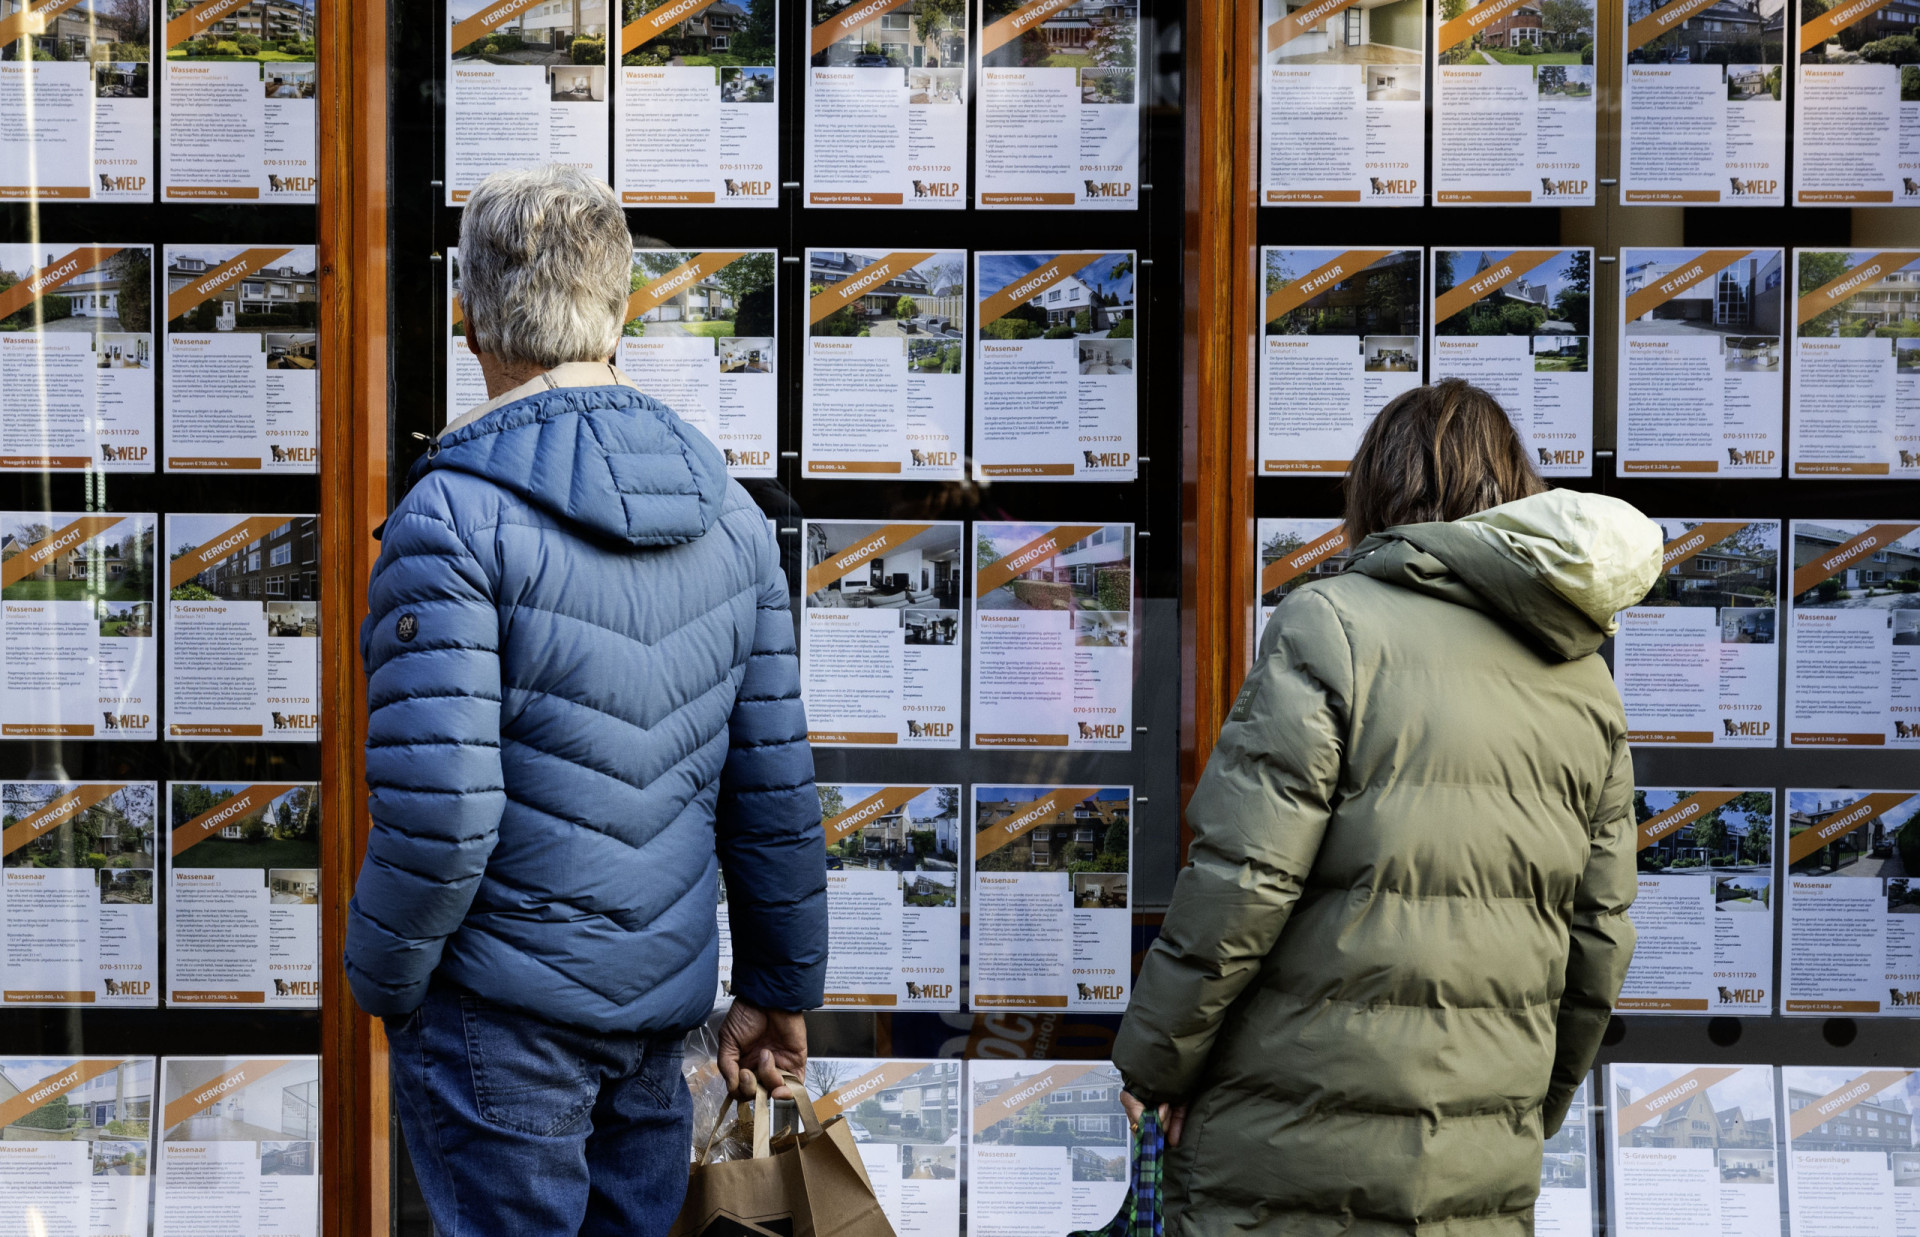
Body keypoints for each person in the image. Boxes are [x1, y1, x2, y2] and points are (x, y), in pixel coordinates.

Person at [344, 165, 827, 1236]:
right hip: (657, 1022)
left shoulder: (451, 519)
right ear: (621, 312)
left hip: (494, 1025)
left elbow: (443, 811)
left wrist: (382, 980)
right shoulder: (733, 517)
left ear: (470, 320)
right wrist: (779, 986)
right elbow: (776, 788)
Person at [1114, 378, 1660, 1234]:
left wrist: (1156, 1065)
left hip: (1289, 1147)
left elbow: (1244, 881)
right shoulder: (1585, 679)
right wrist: (1522, 1108)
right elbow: (1601, 934)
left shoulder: (1333, 624)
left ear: (1378, 489)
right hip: (1479, 1157)